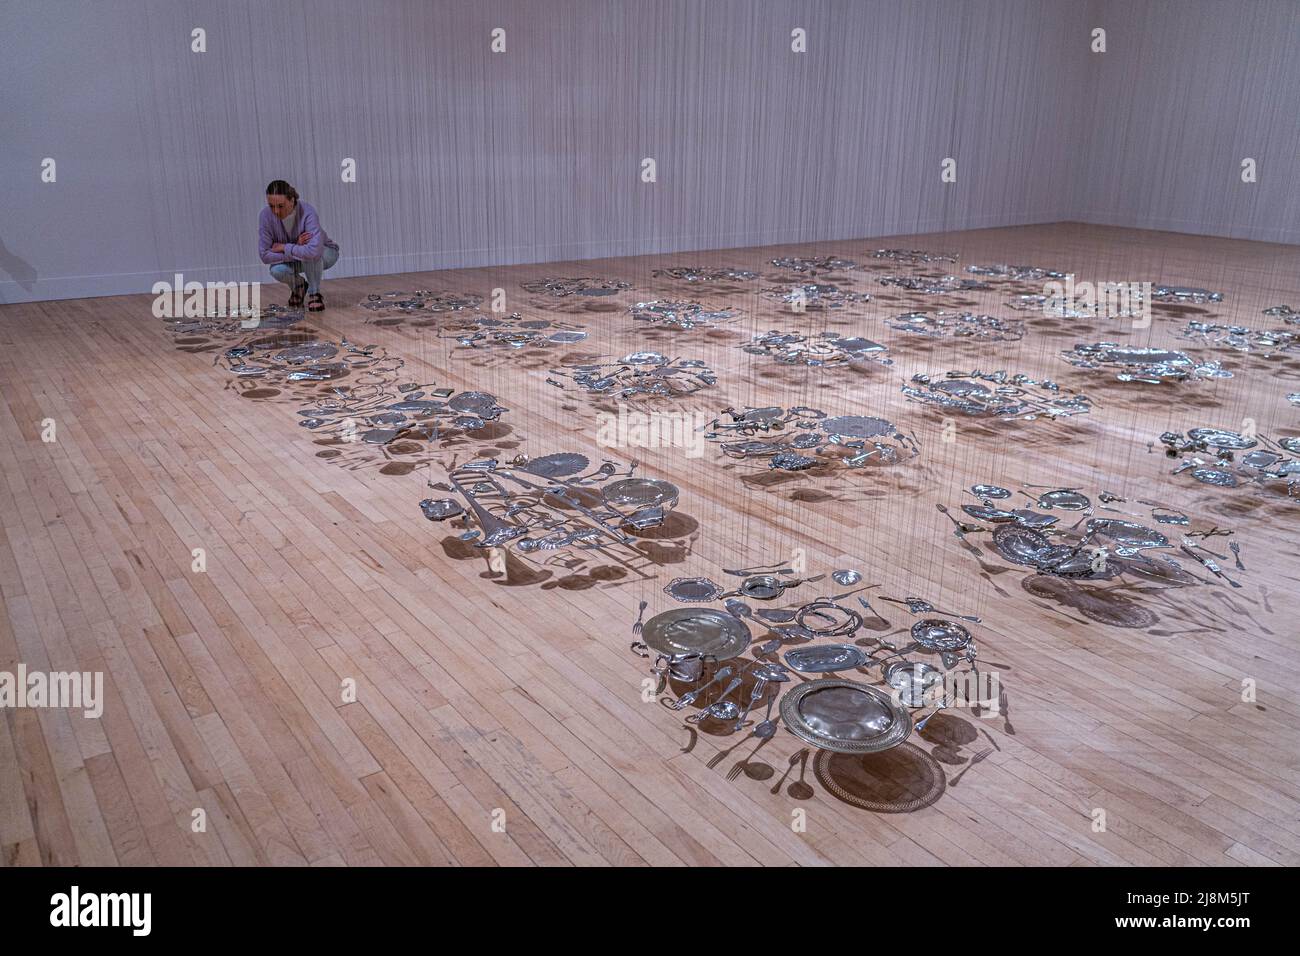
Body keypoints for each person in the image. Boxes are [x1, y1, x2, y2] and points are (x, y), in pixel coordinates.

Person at [258, 180, 339, 312]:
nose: (276, 211)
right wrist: (296, 246)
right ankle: (299, 286)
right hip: (299, 256)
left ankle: (314, 293)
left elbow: (314, 252)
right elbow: (264, 255)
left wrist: (284, 247)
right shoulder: (265, 216)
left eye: (281, 206)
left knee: (309, 254)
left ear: (292, 200)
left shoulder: (307, 212)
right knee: (276, 270)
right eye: (271, 206)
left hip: (325, 253)